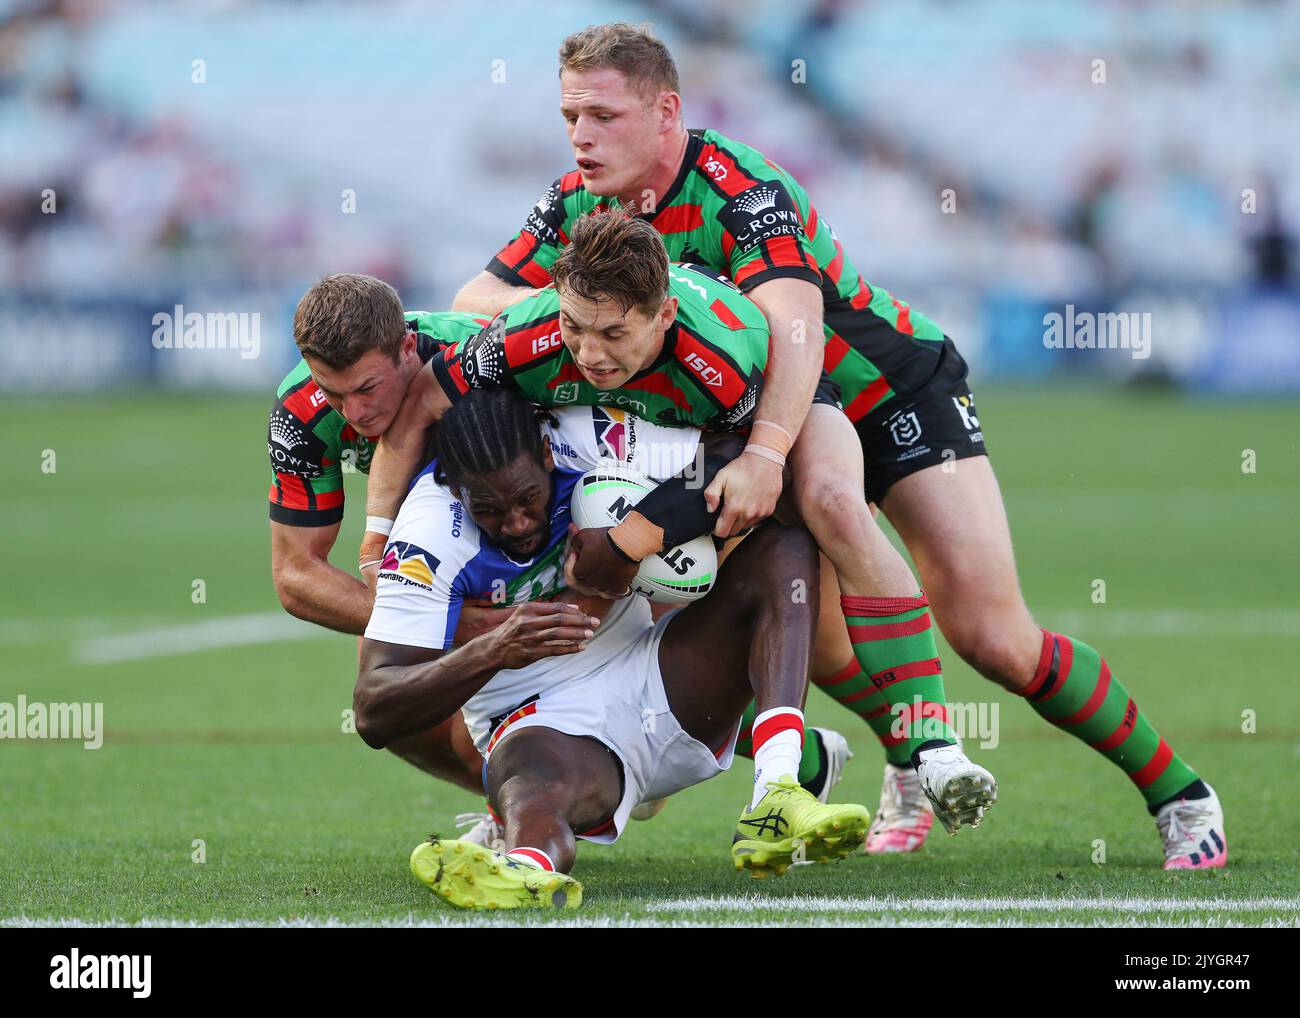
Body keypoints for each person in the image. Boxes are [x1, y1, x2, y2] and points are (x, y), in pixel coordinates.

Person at [440, 22, 1223, 868]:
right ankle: (896, 760)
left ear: (667, 112)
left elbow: (796, 332)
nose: (581, 137)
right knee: (808, 633)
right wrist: (556, 327)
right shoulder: (577, 206)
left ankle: (1176, 793)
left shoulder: (742, 187)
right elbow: (477, 298)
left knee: (988, 633)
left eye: (602, 115)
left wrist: (768, 453)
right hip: (758, 406)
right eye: (569, 117)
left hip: (881, 390)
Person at [363, 210, 997, 836]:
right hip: (616, 442)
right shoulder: (522, 341)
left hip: (752, 411)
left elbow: (736, 462)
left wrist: (633, 538)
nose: (588, 353)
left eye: (612, 333)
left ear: (662, 316)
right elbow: (422, 403)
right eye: (574, 327)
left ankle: (928, 747)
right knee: (626, 612)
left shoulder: (716, 358)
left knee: (823, 504)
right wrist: (376, 536)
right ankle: (562, 788)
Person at [355, 387, 871, 909]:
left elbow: (729, 453)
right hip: (534, 719)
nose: (515, 523)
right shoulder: (425, 536)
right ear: (452, 487)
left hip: (655, 668)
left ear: (545, 454)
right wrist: (493, 648)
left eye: (527, 498)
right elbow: (374, 709)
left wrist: (631, 541)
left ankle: (776, 789)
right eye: (488, 509)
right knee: (534, 789)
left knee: (784, 546)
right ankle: (523, 869)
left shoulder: (590, 438)